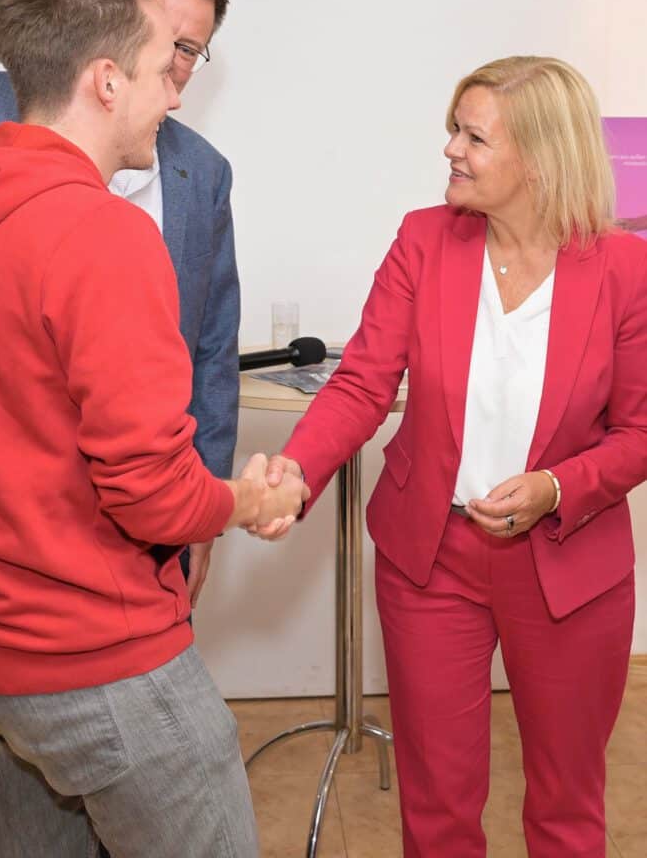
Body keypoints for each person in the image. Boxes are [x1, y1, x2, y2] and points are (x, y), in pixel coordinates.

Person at [0, 0, 307, 858]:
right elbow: (149, 488)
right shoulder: (100, 236)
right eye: (164, 67)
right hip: (99, 660)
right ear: (107, 80)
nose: (177, 91)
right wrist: (248, 499)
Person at [267, 56, 647, 857]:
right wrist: (295, 473)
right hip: (429, 561)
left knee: (566, 808)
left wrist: (554, 485)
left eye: (473, 136)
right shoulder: (423, 241)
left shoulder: (625, 270)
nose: (450, 150)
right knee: (436, 807)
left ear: (540, 159)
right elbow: (362, 383)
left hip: (569, 567)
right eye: (453, 129)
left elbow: (639, 433)